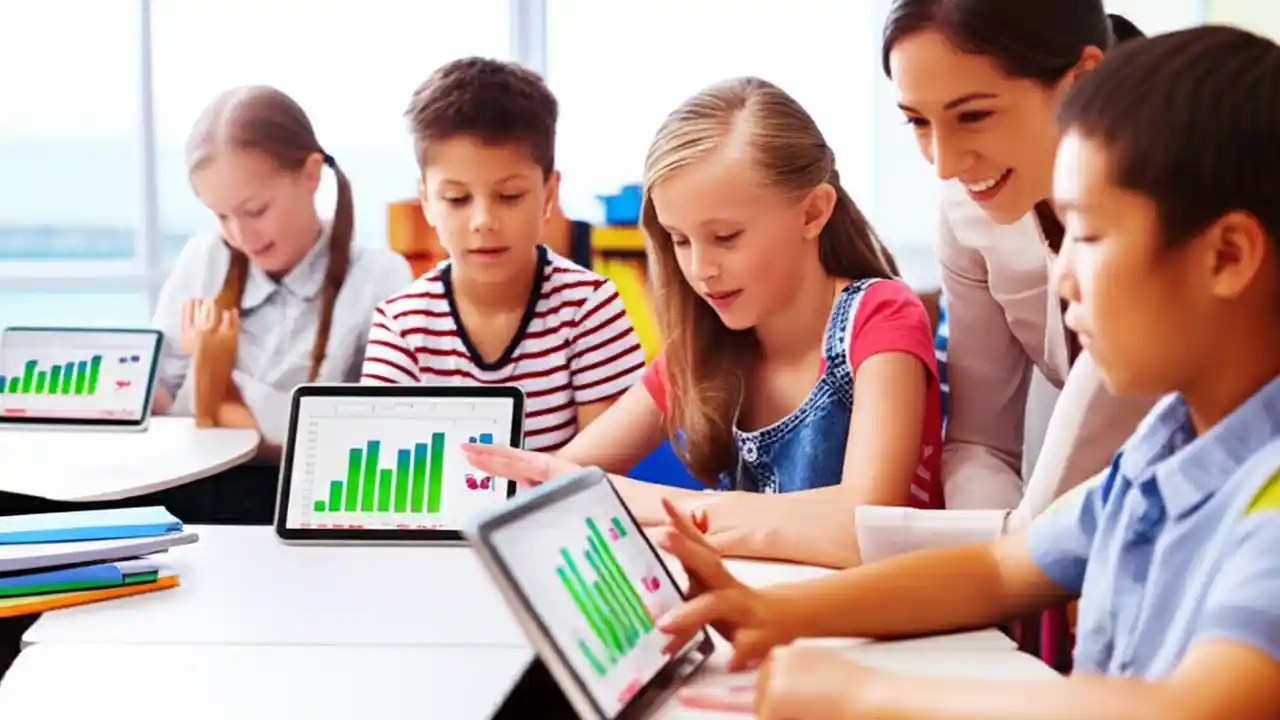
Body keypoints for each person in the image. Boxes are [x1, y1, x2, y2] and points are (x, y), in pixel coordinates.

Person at [656, 26, 1280, 719]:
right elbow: (999, 568)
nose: (1063, 276)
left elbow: (1197, 708)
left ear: (1226, 256)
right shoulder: (1164, 448)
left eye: (1090, 236)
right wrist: (772, 612)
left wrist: (866, 695)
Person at [464, 77, 944, 569]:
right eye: (679, 240)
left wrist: (647, 503)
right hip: (765, 615)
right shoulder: (700, 347)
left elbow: (865, 522)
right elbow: (562, 481)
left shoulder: (882, 317)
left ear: (813, 212)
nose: (699, 269)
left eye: (725, 236)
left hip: (885, 627)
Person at [882, 0, 1156, 530]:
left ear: (1082, 81)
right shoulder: (969, 207)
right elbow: (980, 441)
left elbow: (1035, 534)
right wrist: (996, 557)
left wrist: (1007, 560)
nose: (943, 164)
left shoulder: (1169, 208)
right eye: (917, 120)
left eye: (974, 115)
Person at [151, 85, 412, 521]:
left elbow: (380, 439)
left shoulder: (379, 277)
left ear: (311, 175)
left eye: (255, 210)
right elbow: (158, 398)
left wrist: (218, 375)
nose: (241, 235)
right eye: (221, 216)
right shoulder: (202, 258)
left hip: (308, 510)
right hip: (189, 500)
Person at [360, 58, 645, 452]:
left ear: (548, 195)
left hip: (557, 511)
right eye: (457, 199)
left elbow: (603, 463)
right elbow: (388, 467)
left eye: (509, 196)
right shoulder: (401, 325)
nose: (484, 221)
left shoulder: (588, 308)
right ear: (426, 201)